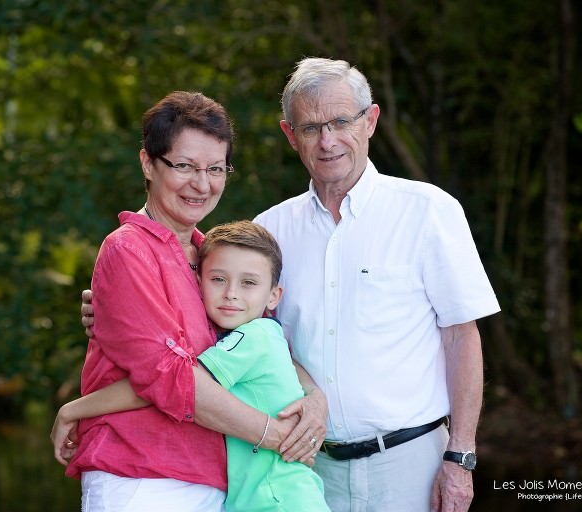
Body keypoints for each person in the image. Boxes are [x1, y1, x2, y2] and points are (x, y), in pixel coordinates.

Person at [80, 58, 500, 512]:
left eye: (341, 121)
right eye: (310, 127)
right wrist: (106, 308)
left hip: (407, 462)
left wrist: (460, 455)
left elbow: (461, 336)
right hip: (299, 469)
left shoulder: (427, 211)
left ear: (371, 121)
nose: (328, 140)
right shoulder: (269, 231)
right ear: (289, 135)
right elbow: (210, 339)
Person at [53, 90, 328, 512]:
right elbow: (171, 378)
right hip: (141, 475)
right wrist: (276, 438)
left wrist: (314, 398)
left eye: (215, 168)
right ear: (148, 163)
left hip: (213, 482)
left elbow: (260, 345)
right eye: (184, 166)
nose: (202, 184)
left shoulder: (211, 260)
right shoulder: (130, 249)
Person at [55, 220, 331, 511]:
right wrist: (118, 305)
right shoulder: (253, 336)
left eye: (248, 283)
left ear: (274, 296)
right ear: (196, 284)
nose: (231, 294)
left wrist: (74, 409)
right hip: (257, 497)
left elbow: (175, 384)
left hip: (281, 498)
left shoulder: (255, 338)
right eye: (218, 279)